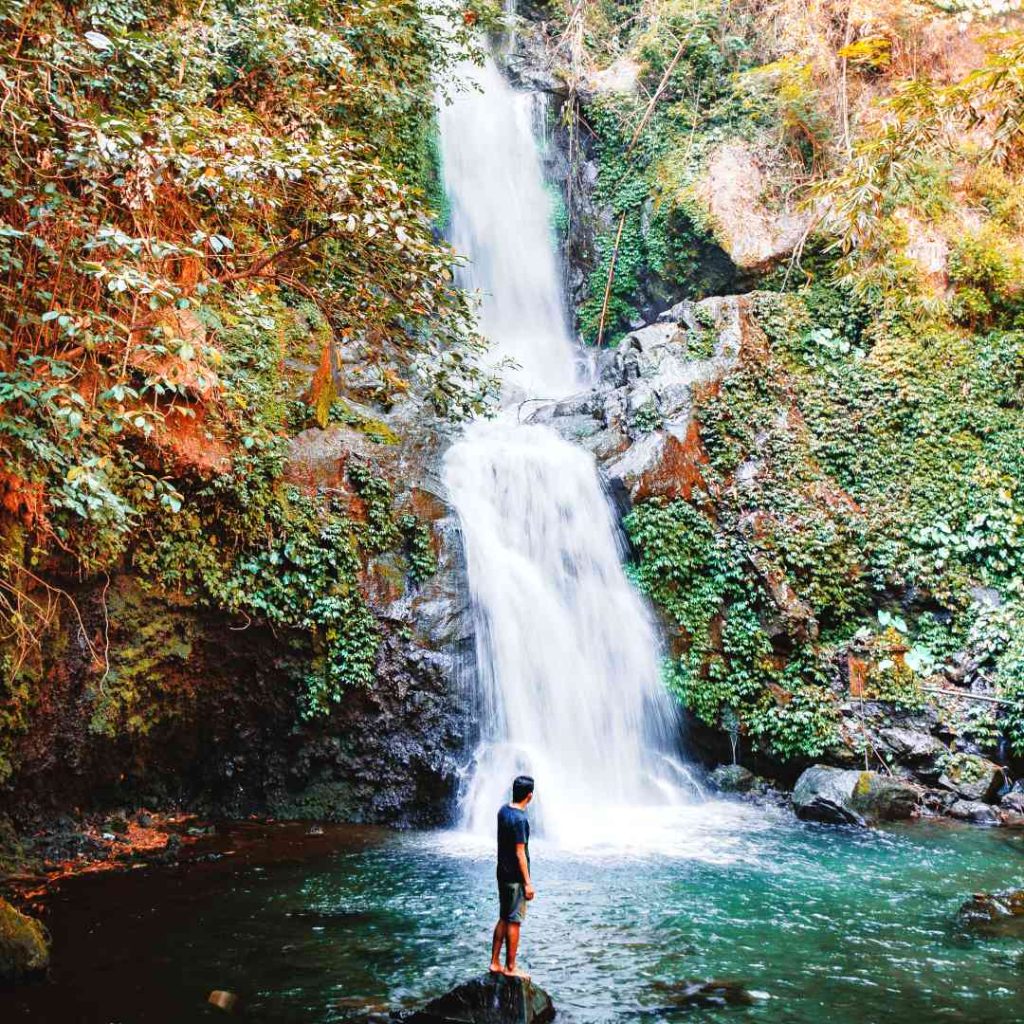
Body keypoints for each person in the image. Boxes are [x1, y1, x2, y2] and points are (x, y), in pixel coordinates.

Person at [489, 775, 535, 979]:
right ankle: (510, 967)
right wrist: (528, 883)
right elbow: (520, 853)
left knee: (503, 918)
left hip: (502, 874)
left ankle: (494, 962)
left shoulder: (503, 811)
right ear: (530, 796)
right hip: (515, 878)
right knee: (514, 922)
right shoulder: (521, 820)